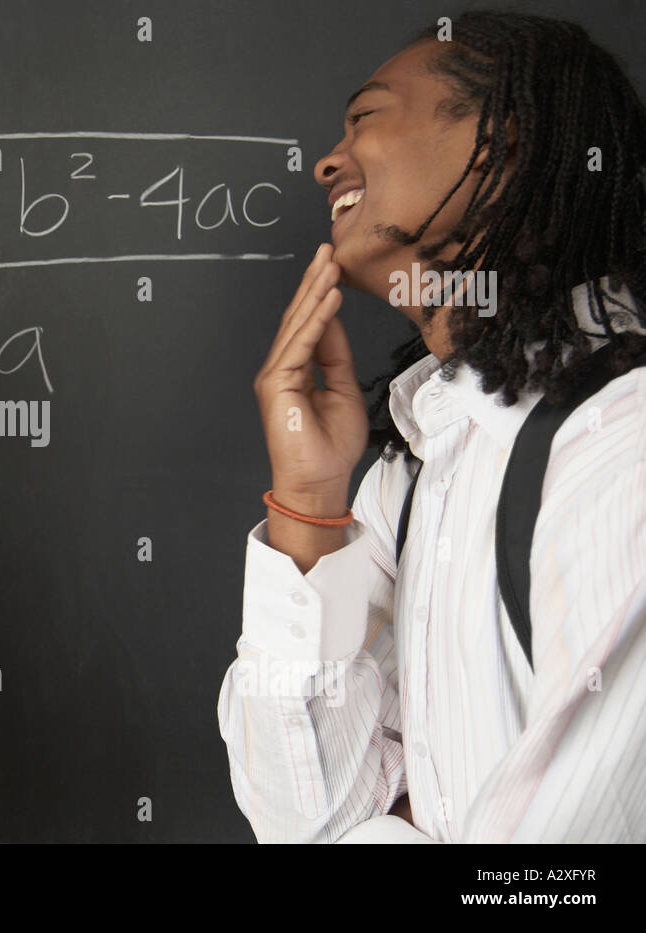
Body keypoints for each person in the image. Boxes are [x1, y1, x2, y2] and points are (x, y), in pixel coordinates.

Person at [218, 11, 646, 842]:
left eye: (367, 117)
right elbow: (301, 816)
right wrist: (308, 497)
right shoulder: (408, 478)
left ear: (501, 142)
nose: (326, 161)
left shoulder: (620, 450)